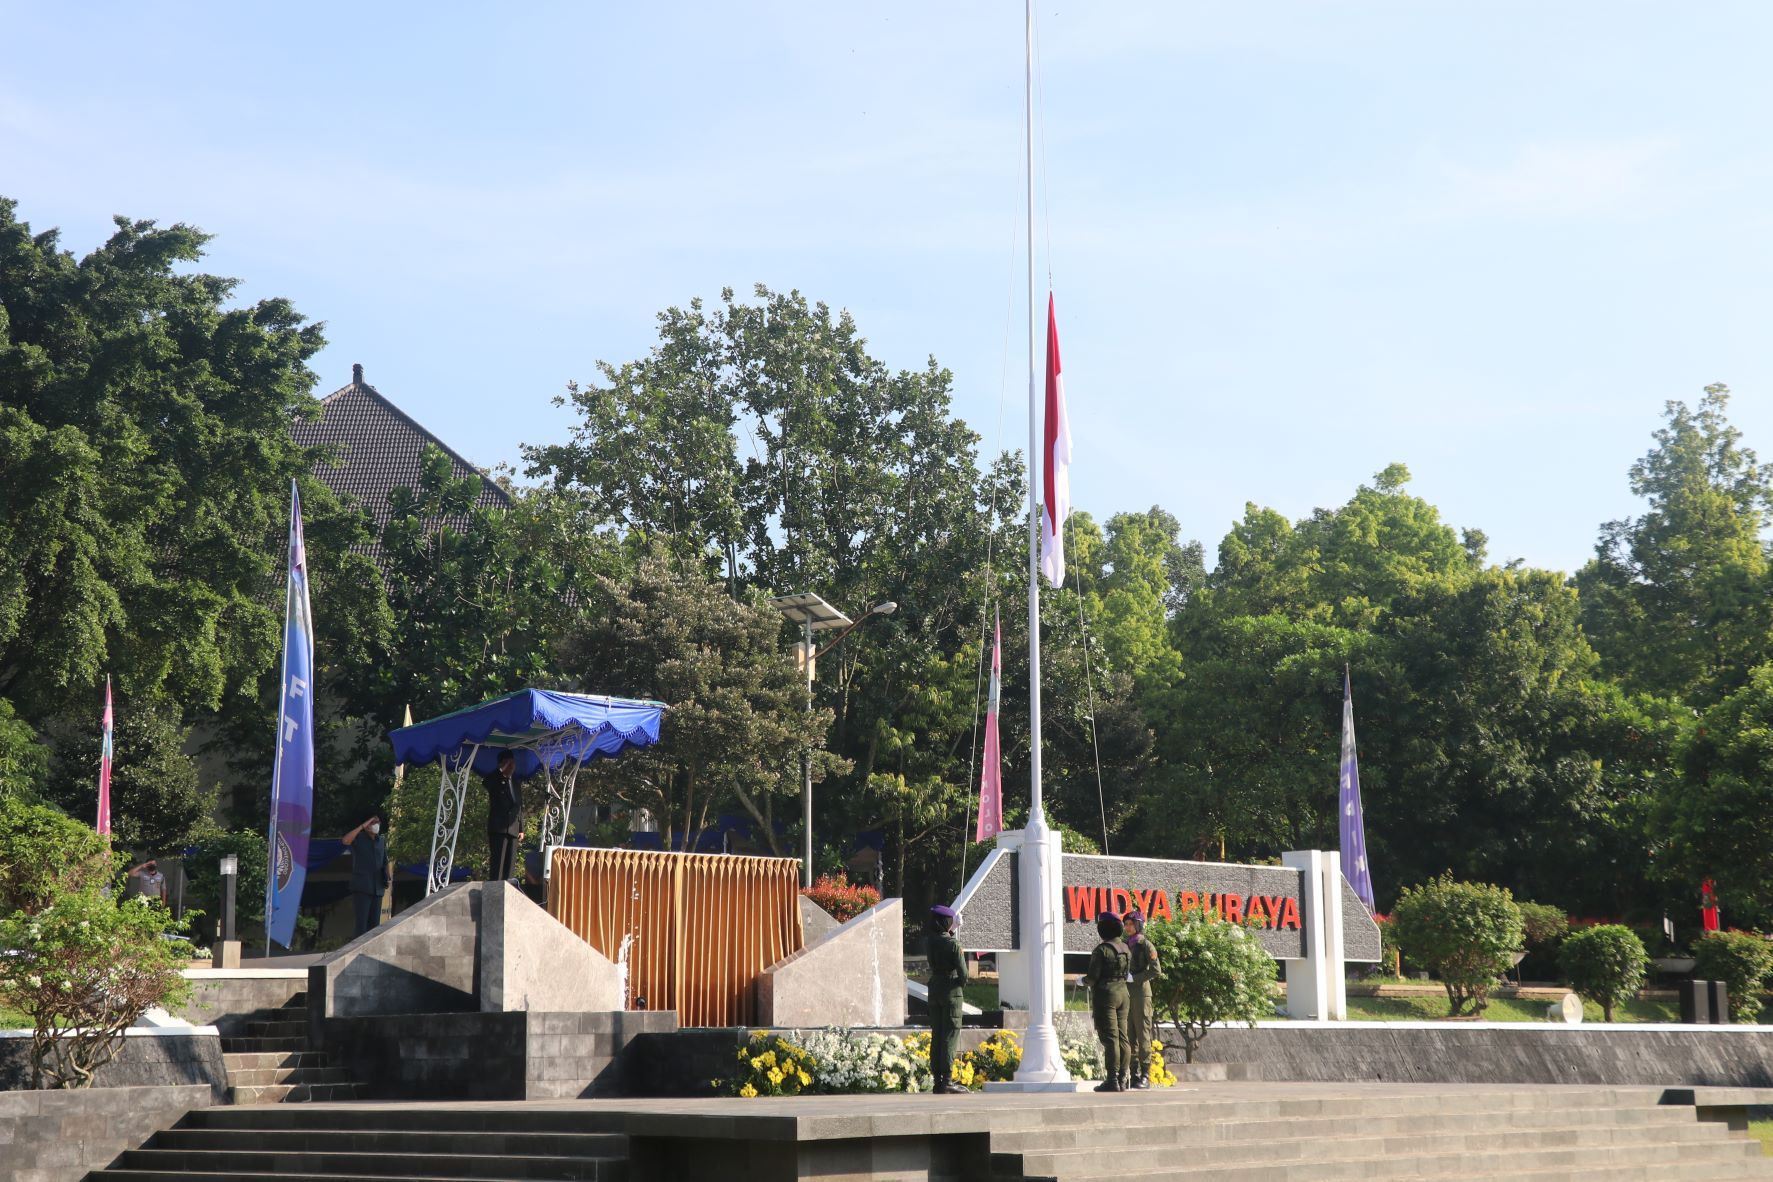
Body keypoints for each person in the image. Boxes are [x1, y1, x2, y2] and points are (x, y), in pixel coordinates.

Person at [1081, 910, 1131, 1093]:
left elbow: (1093, 977)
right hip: (1123, 994)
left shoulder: (1101, 950)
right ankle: (1123, 1079)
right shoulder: (1126, 948)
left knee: (1111, 1038)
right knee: (1123, 1037)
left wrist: (1082, 981)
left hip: (1106, 995)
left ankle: (1112, 1080)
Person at [925, 904, 970, 1094]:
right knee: (950, 1035)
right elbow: (964, 974)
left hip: (934, 988)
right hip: (951, 991)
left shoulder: (930, 942)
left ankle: (937, 1080)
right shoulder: (953, 944)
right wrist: (958, 983)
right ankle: (948, 1080)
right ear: (946, 922)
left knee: (937, 1034)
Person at [1124, 909, 1161, 1089]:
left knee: (1142, 1034)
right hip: (1126, 993)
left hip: (1141, 993)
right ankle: (1132, 1073)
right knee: (1129, 1035)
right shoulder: (1124, 945)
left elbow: (1156, 970)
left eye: (1131, 924)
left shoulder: (1146, 945)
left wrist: (1136, 978)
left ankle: (1145, 1074)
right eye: (1126, 924)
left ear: (1138, 925)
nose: (1128, 927)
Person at [341, 814, 389, 937]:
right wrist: (362, 826)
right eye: (373, 822)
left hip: (378, 887)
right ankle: (357, 951)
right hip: (362, 887)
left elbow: (384, 860)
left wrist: (387, 876)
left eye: (378, 822)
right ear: (367, 826)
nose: (376, 825)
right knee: (361, 924)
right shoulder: (359, 838)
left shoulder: (381, 840)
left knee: (374, 925)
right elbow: (345, 840)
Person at [484, 750, 524, 881]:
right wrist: (500, 770)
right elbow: (486, 782)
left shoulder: (516, 783)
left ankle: (508, 894)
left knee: (509, 868)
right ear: (501, 764)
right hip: (499, 829)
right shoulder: (494, 780)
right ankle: (495, 894)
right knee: (498, 866)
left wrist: (521, 828)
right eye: (508, 764)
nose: (511, 767)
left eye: (513, 763)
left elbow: (519, 807)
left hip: (513, 829)